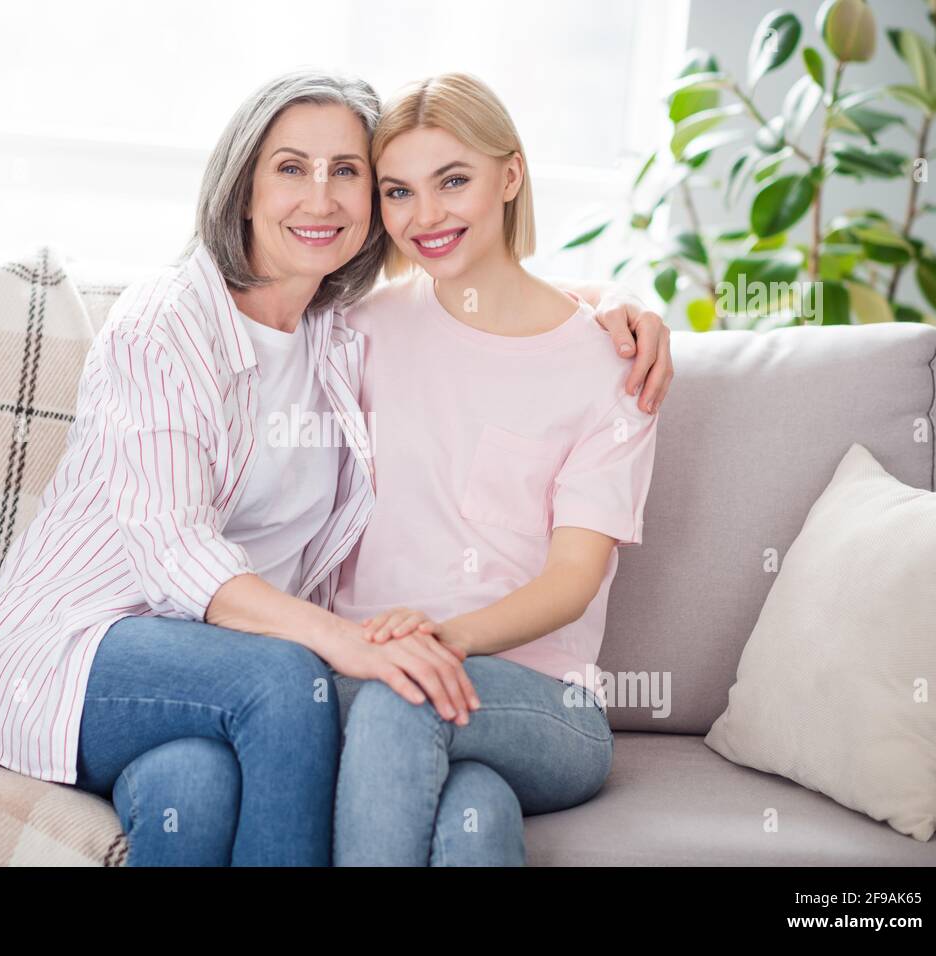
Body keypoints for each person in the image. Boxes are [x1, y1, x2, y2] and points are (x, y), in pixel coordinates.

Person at [0, 70, 673, 866]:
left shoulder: (338, 328)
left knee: (199, 784)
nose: (321, 199)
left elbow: (506, 319)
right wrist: (348, 642)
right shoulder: (185, 328)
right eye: (291, 168)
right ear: (243, 188)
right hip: (89, 646)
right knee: (299, 689)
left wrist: (619, 304)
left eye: (347, 173)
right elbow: (175, 555)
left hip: (253, 672)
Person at [328, 72, 664, 866]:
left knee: (403, 695)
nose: (426, 216)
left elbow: (572, 579)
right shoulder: (358, 332)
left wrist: (444, 638)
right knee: (474, 817)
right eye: (398, 191)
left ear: (510, 176)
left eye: (454, 181)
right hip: (359, 674)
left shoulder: (611, 367)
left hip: (543, 703)